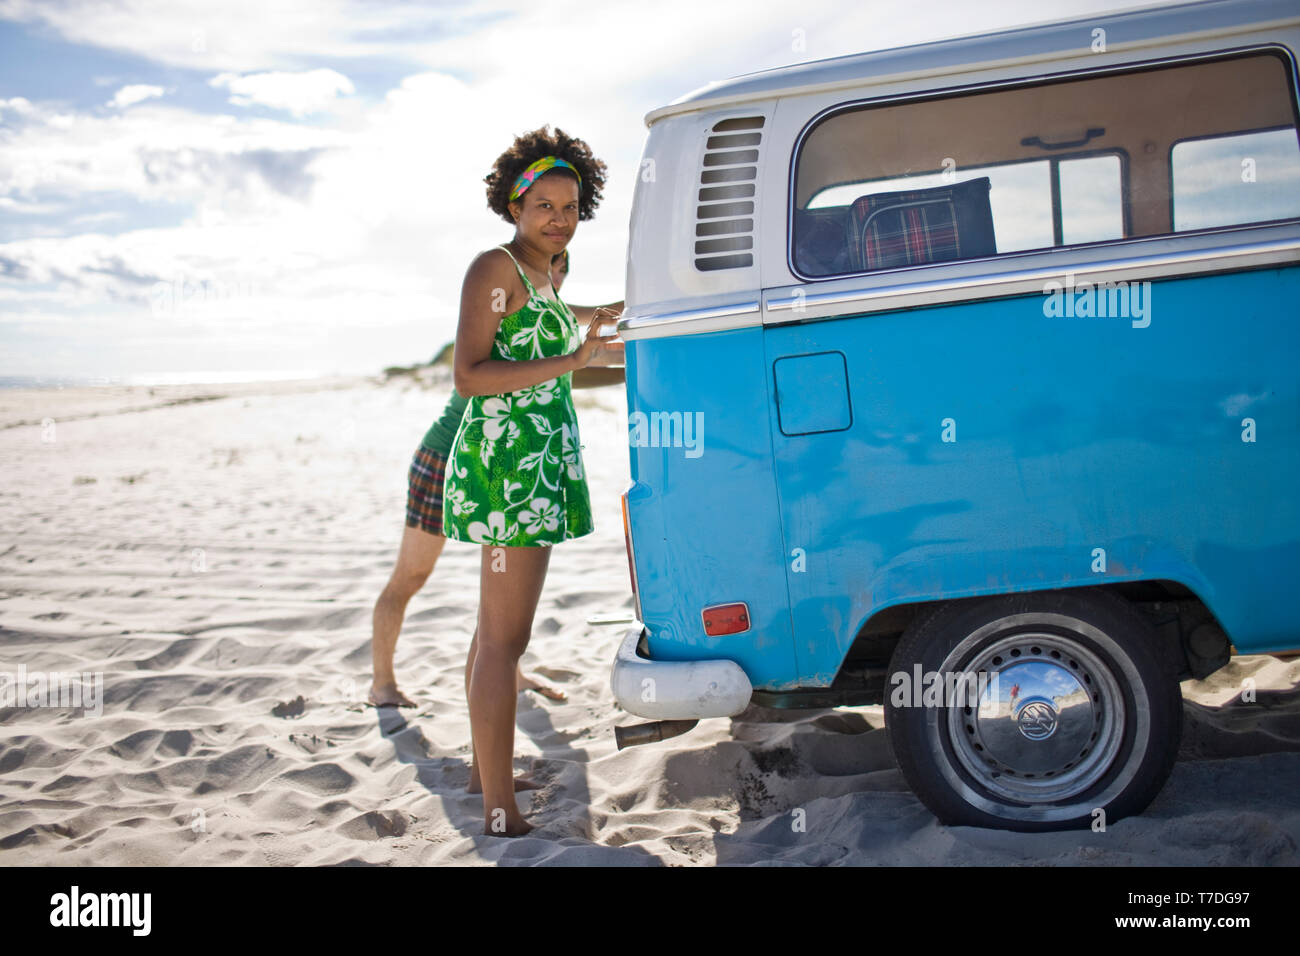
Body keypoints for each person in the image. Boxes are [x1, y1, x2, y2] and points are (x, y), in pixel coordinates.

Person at [446, 126, 623, 836]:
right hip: (507, 465)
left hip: (542, 460)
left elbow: (560, 324)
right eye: (543, 205)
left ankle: (482, 773)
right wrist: (575, 361)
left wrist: (618, 326)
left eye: (570, 205)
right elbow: (469, 375)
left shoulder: (553, 270)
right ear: (514, 206)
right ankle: (499, 810)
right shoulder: (495, 268)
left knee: (493, 631)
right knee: (504, 642)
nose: (558, 218)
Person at [369, 249, 577, 709]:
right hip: (446, 458)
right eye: (548, 267)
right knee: (413, 575)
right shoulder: (503, 312)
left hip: (497, 462)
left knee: (502, 588)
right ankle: (381, 682)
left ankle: (510, 671)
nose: (554, 276)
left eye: (561, 268)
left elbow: (573, 372)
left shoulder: (546, 331)